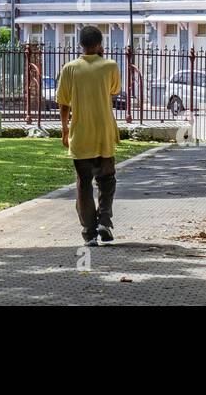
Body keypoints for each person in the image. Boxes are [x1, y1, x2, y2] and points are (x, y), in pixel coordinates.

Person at [57, 25, 121, 247]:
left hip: (81, 135)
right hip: (104, 134)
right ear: (100, 44)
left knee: (84, 184)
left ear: (80, 44)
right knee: (107, 181)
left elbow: (64, 104)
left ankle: (89, 232)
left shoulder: (69, 68)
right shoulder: (110, 66)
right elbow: (114, 91)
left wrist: (65, 130)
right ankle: (104, 221)